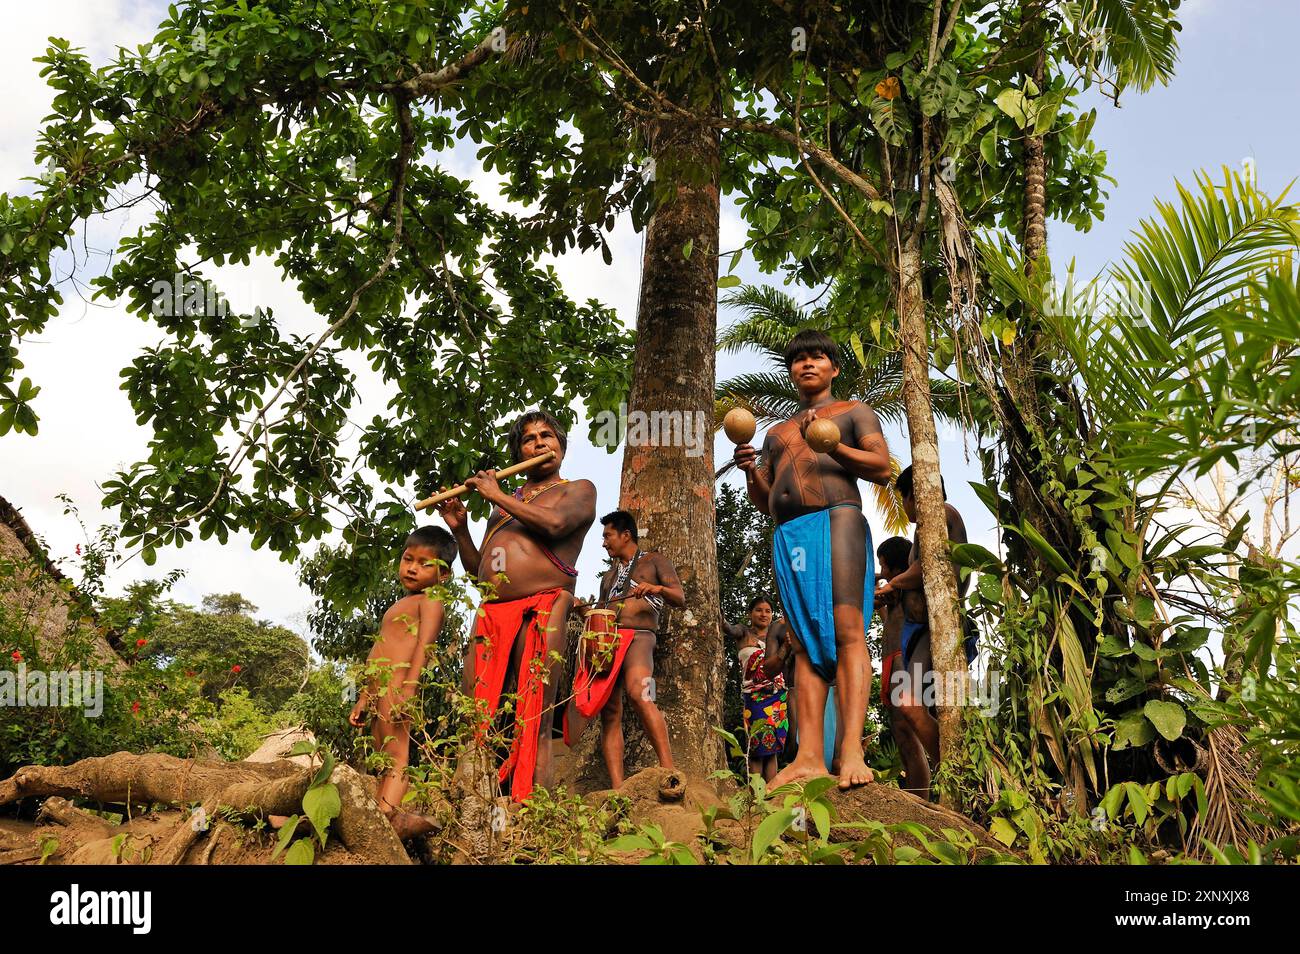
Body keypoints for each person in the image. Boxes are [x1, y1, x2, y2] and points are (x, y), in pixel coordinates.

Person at [734, 329, 892, 789]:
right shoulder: (776, 432)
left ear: (833, 368)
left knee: (847, 633)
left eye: (817, 357)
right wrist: (749, 470)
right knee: (801, 642)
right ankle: (807, 757)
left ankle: (851, 750)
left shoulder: (854, 412)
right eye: (799, 359)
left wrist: (832, 446)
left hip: (837, 521)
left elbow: (881, 467)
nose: (807, 365)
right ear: (791, 370)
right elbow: (765, 501)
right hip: (788, 534)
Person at [436, 410, 596, 801]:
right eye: (529, 439)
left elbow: (556, 525)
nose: (540, 444)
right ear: (518, 451)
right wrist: (460, 529)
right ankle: (472, 806)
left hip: (544, 605)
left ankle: (533, 815)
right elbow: (480, 574)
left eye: (547, 436)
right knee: (477, 714)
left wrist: (497, 495)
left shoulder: (578, 489)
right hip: (493, 611)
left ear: (560, 445)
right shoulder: (503, 505)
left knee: (534, 714)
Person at [348, 525, 456, 837]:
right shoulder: (401, 604)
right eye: (408, 559)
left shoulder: (431, 600)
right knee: (382, 754)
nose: (412, 568)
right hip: (380, 688)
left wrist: (409, 687)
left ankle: (384, 815)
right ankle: (382, 810)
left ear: (444, 575)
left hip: (399, 686)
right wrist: (364, 697)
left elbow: (425, 644)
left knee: (396, 755)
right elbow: (379, 649)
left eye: (425, 564)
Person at [872, 465, 973, 798]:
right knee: (911, 704)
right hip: (921, 631)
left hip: (940, 627)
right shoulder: (924, 528)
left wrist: (893, 584)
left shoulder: (943, 513)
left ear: (916, 493)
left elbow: (929, 567)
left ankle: (958, 770)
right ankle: (941, 780)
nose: (906, 508)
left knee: (912, 703)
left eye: (905, 499)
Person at [565, 510, 684, 788]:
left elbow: (679, 596)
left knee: (640, 693)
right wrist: (584, 610)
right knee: (610, 712)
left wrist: (656, 588)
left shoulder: (655, 561)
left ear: (625, 535)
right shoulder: (608, 578)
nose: (604, 543)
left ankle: (670, 772)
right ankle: (618, 789)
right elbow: (604, 614)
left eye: (608, 536)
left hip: (641, 638)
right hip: (610, 643)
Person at [874, 535, 930, 795]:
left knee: (908, 734)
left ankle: (922, 797)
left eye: (884, 565)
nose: (882, 571)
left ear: (896, 566)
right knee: (900, 732)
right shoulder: (896, 591)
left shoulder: (905, 586)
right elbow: (888, 620)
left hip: (900, 659)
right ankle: (917, 795)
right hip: (891, 660)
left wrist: (881, 582)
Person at [721, 595, 793, 782]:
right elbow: (729, 628)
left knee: (772, 750)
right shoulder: (744, 632)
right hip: (753, 698)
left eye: (768, 611)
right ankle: (755, 797)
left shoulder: (777, 635)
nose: (763, 614)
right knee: (755, 749)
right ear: (750, 613)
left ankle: (771, 795)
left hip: (777, 697)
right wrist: (721, 619)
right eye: (759, 610)